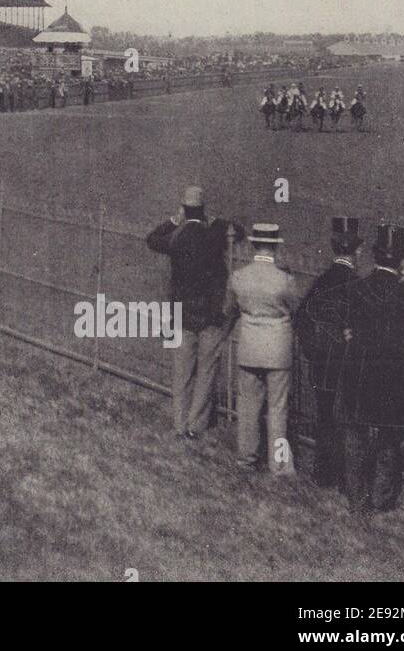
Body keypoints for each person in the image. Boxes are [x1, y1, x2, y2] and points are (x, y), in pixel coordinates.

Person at [336, 225, 404, 515]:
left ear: (374, 256)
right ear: (399, 259)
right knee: (389, 437)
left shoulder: (358, 286)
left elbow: (347, 327)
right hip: (393, 371)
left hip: (359, 368)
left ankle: (356, 499)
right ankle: (382, 499)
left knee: (356, 434)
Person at [145, 186, 245, 439]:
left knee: (182, 371)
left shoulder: (177, 238)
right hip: (211, 314)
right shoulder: (215, 235)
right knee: (207, 370)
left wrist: (173, 220)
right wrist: (213, 220)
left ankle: (179, 423)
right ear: (203, 210)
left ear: (184, 208)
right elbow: (239, 232)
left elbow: (152, 239)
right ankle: (196, 424)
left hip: (182, 314)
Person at [226, 222, 302, 476]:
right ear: (275, 247)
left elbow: (231, 308)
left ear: (253, 244)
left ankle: (246, 457)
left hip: (249, 345)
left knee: (248, 405)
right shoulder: (284, 280)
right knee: (278, 408)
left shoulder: (239, 276)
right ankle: (278, 464)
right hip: (277, 349)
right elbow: (295, 308)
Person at [296, 216, 365, 489]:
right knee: (348, 419)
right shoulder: (356, 284)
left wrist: (313, 351)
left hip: (321, 361)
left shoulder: (322, 281)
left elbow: (302, 317)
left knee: (325, 416)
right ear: (356, 250)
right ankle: (345, 478)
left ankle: (323, 473)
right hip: (346, 363)